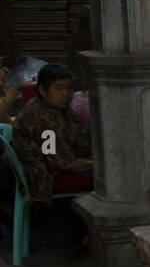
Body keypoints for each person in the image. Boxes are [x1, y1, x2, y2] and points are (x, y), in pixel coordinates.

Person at [12, 62, 94, 203]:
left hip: (64, 167)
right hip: (47, 179)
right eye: (58, 88)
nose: (66, 94)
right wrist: (99, 166)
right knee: (110, 179)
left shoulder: (59, 108)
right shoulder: (41, 118)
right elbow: (58, 162)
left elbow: (80, 137)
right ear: (43, 90)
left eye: (69, 88)